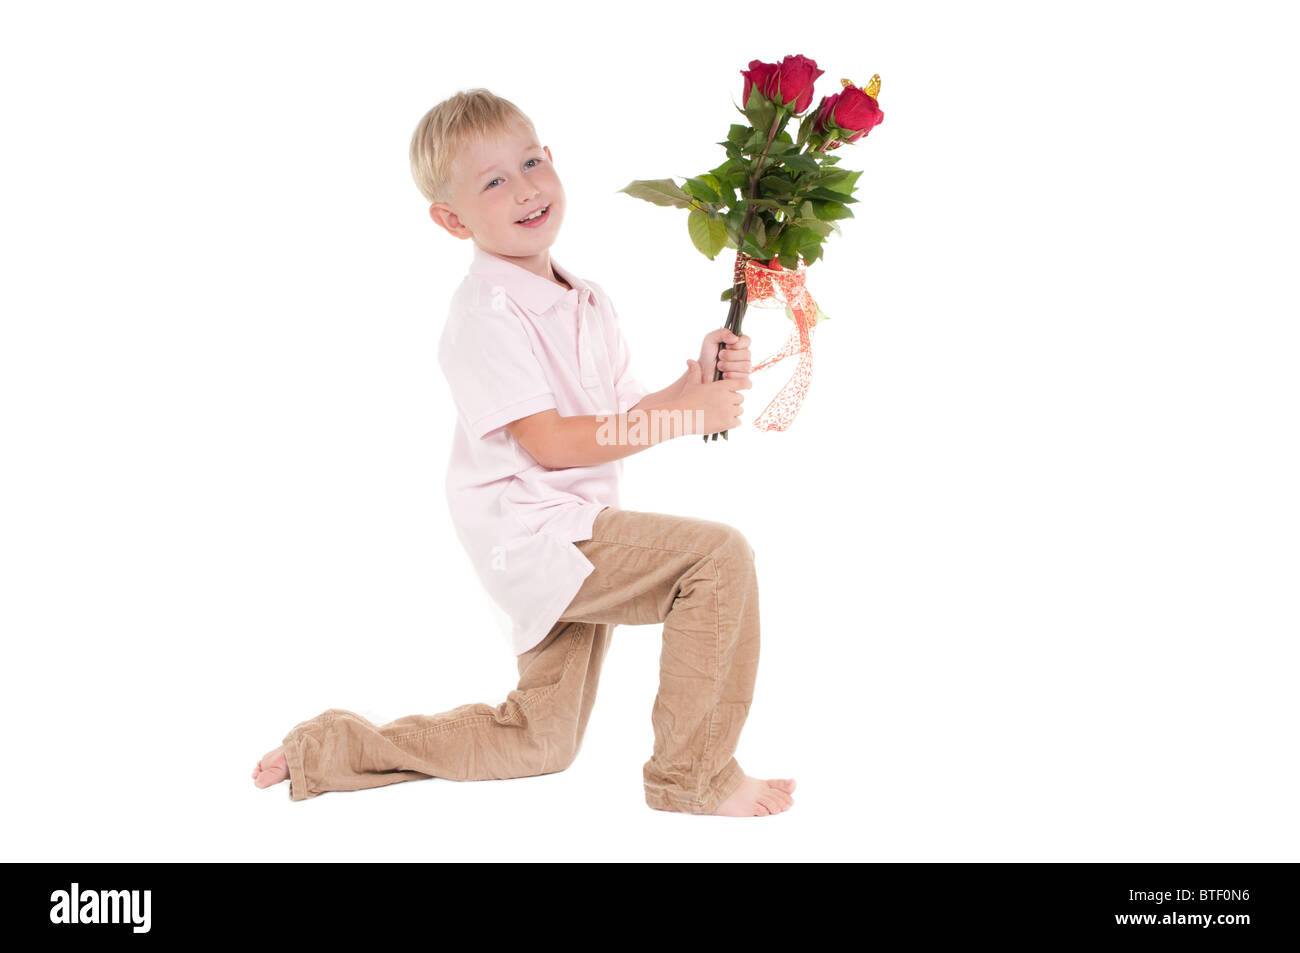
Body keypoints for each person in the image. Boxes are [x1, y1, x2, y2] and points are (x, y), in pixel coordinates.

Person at [251, 88, 795, 816]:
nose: (526, 187)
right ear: (452, 219)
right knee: (715, 558)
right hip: (538, 534)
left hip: (576, 525)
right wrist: (686, 418)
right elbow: (553, 443)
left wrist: (691, 384)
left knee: (541, 738)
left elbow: (623, 414)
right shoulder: (484, 316)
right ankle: (690, 774)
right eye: (493, 181)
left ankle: (329, 750)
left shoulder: (587, 298)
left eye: (532, 161)